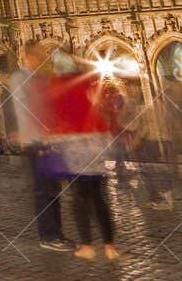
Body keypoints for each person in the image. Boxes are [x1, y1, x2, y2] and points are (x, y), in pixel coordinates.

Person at [45, 56, 118, 261]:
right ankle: (110, 246)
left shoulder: (57, 85)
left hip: (75, 144)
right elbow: (102, 106)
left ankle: (86, 245)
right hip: (96, 141)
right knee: (98, 197)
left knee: (79, 198)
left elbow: (54, 115)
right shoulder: (89, 80)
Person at [13, 46, 70, 251]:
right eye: (39, 57)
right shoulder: (21, 78)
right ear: (28, 57)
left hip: (46, 139)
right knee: (44, 190)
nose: (43, 60)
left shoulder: (39, 78)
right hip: (35, 141)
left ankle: (56, 233)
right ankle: (48, 236)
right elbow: (23, 109)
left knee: (52, 188)